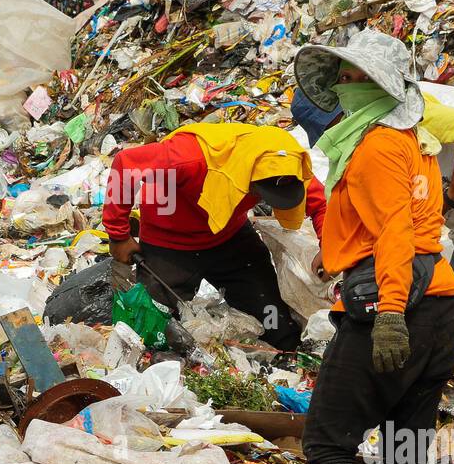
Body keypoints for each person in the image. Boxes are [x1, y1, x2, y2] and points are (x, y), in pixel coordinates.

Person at [292, 30, 454, 464]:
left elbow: (395, 232)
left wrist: (388, 314)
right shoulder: (417, 141)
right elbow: (405, 222)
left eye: (353, 76)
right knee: (404, 453)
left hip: (392, 308)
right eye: (340, 76)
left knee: (327, 442)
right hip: (438, 309)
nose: (343, 86)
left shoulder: (376, 147)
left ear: (381, 86)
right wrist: (337, 251)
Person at [293, 78, 454, 357]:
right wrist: (333, 248)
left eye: (334, 127)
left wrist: (451, 196)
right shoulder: (380, 125)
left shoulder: (403, 105)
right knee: (449, 329)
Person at [103, 123, 318, 351]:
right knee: (150, 331)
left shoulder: (286, 167)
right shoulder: (186, 157)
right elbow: (125, 164)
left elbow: (321, 204)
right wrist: (118, 235)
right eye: (258, 192)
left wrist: (329, 249)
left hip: (230, 237)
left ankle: (287, 355)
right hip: (168, 244)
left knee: (273, 317)